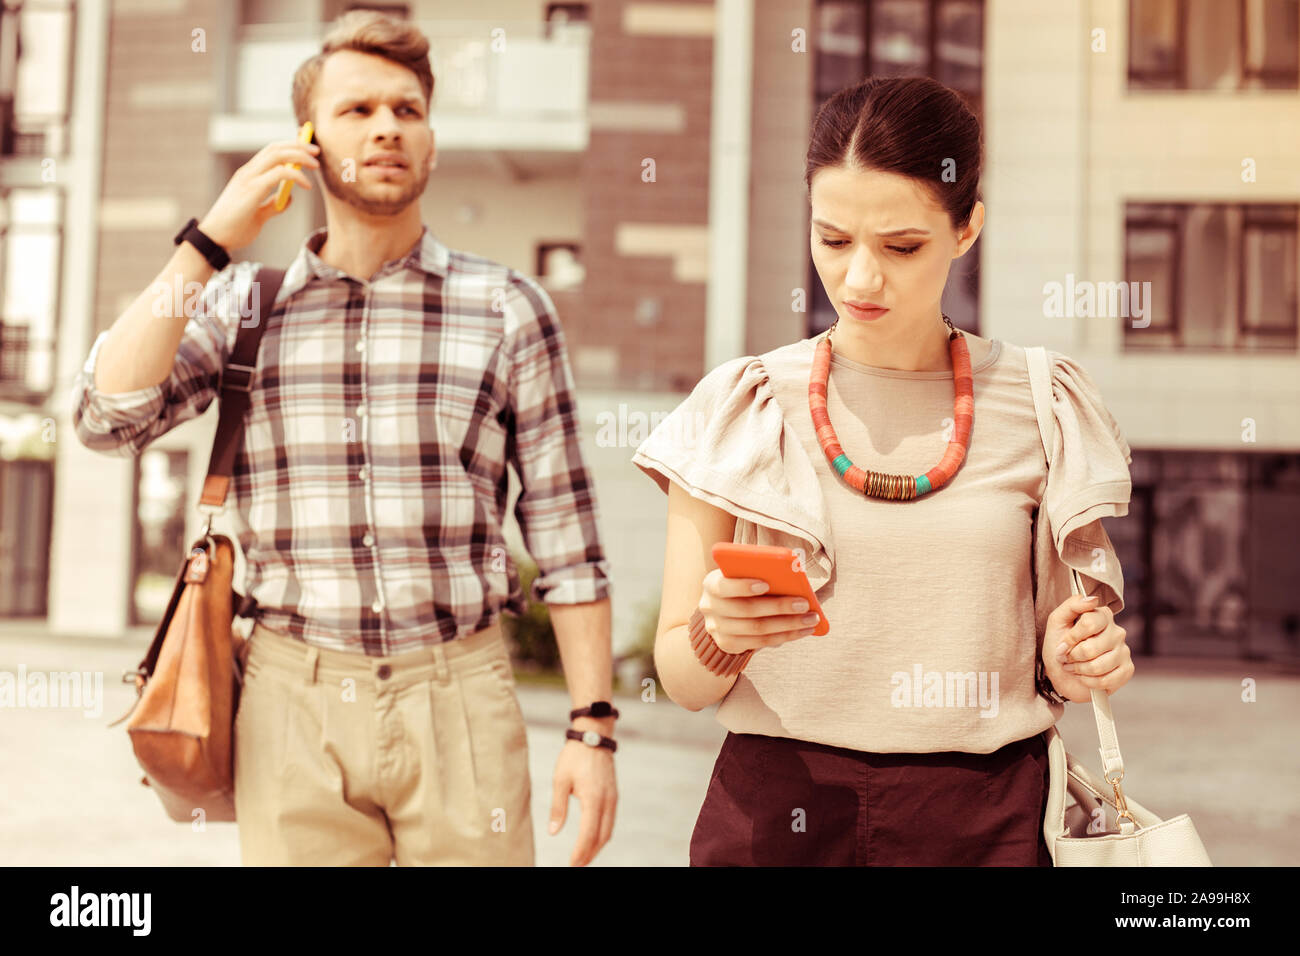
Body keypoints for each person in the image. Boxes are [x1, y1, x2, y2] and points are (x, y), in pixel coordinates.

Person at [71, 10, 617, 867]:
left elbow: (569, 540)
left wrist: (593, 730)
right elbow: (106, 418)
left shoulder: (509, 308)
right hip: (291, 697)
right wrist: (208, 244)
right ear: (308, 141)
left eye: (408, 109)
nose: (387, 128)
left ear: (432, 138)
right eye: (357, 110)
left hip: (461, 694)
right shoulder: (244, 303)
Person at [631, 76, 1135, 866]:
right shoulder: (742, 402)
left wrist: (1078, 661)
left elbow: (1056, 659)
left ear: (967, 228)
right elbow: (683, 679)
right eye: (832, 240)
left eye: (901, 246)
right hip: (777, 809)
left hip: (983, 819)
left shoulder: (1040, 403)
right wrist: (716, 634)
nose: (860, 279)